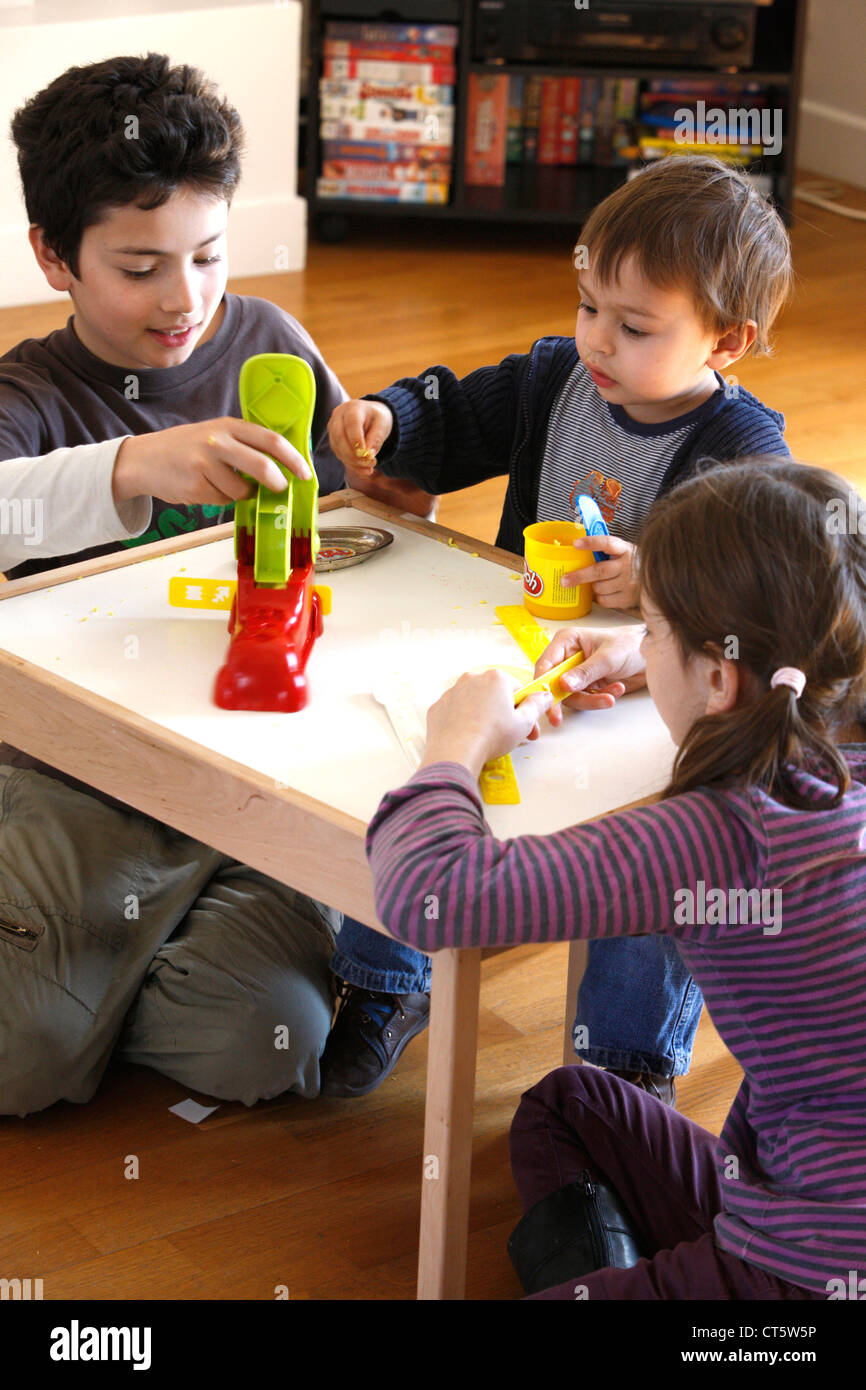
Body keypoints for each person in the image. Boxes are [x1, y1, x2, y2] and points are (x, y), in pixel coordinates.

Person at [0, 52, 431, 1115]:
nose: (183, 297)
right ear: (54, 257)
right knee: (20, 1059)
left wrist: (391, 471)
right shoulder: (31, 394)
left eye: (208, 255)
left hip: (250, 775)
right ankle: (99, 963)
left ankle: (133, 946)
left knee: (262, 1050)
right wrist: (133, 466)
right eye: (139, 267)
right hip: (86, 781)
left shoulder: (267, 344)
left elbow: (370, 519)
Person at [322, 154, 793, 1102]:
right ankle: (382, 983)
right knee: (412, 767)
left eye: (634, 326)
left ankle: (627, 1064)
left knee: (669, 852)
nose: (597, 341)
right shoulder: (553, 379)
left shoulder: (744, 448)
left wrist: (662, 573)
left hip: (659, 703)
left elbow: (762, 579)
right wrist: (389, 418)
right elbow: (457, 411)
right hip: (520, 650)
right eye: (588, 307)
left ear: (728, 342)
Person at [366, 458, 866, 1299]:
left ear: (718, 675)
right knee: (570, 1105)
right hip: (798, 1187)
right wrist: (659, 660)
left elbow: (431, 890)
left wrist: (455, 741)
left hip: (818, 1266)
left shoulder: (722, 831)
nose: (644, 638)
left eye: (655, 625)